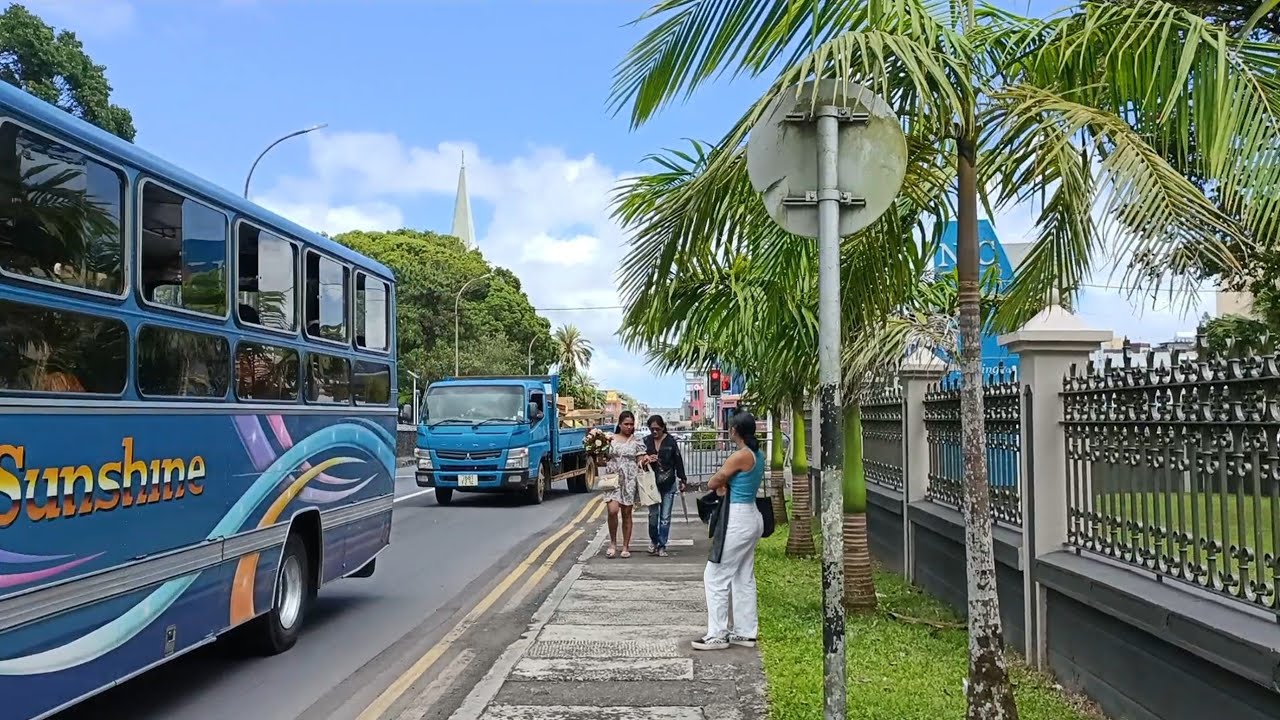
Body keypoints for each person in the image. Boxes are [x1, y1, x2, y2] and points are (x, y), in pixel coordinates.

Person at [694, 411, 764, 651]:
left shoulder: (741, 455)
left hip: (738, 518)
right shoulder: (757, 454)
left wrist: (721, 483)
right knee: (743, 575)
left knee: (715, 575)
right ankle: (745, 632)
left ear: (734, 430)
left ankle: (717, 634)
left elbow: (715, 481)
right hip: (751, 515)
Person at [603, 410, 649, 559]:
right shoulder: (610, 439)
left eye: (631, 424)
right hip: (612, 478)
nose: (629, 427)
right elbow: (601, 458)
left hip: (629, 478)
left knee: (627, 512)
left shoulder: (637, 441)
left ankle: (625, 546)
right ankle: (612, 543)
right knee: (612, 510)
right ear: (620, 424)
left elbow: (640, 459)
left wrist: (645, 460)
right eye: (626, 424)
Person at [643, 414, 687, 557]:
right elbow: (639, 460)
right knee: (653, 516)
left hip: (668, 482)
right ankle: (654, 541)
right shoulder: (646, 441)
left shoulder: (670, 441)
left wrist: (683, 479)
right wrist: (647, 459)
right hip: (651, 484)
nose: (655, 432)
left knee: (665, 517)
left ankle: (662, 545)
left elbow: (678, 460)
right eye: (652, 429)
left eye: (657, 429)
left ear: (663, 427)